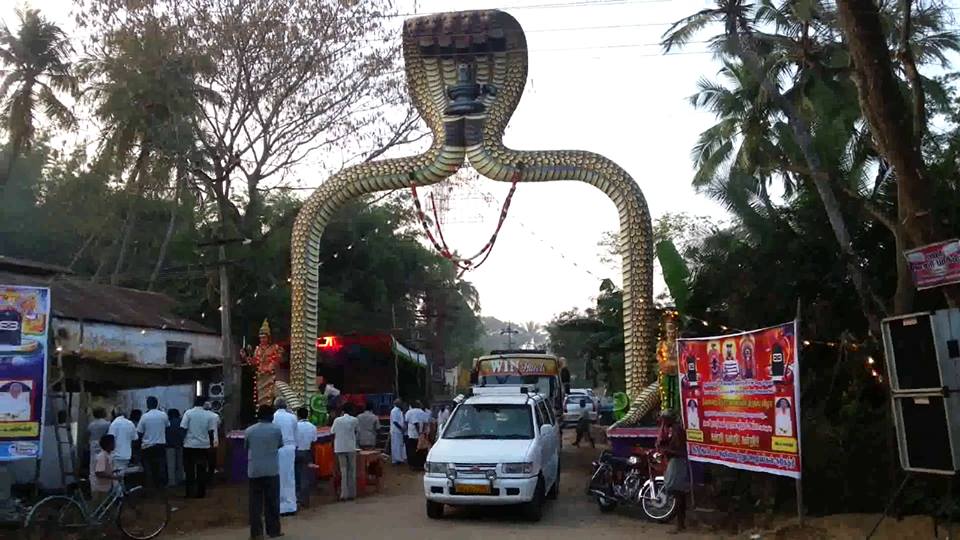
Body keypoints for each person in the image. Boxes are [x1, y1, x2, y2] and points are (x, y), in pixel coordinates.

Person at [245, 405, 283, 540]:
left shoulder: (249, 430)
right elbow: (280, 445)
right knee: (272, 501)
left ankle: (256, 533)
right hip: (272, 470)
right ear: (271, 416)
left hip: (254, 470)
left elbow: (246, 446)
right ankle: (273, 530)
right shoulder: (276, 429)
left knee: (255, 504)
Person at [656, 410, 690, 534]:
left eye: (664, 419)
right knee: (678, 493)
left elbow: (680, 450)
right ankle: (680, 523)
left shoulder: (676, 430)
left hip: (678, 462)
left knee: (677, 492)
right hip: (677, 462)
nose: (663, 422)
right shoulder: (674, 429)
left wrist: (666, 450)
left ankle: (680, 524)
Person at [181, 396, 217, 498]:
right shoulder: (209, 415)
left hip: (189, 445)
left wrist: (182, 441)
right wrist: (210, 444)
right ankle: (201, 493)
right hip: (203, 446)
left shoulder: (188, 413)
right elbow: (211, 431)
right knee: (201, 470)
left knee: (189, 470)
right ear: (204, 403)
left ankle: (189, 493)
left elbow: (183, 428)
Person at [137, 396, 169, 489]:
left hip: (147, 446)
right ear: (157, 404)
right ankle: (161, 486)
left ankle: (149, 487)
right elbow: (167, 426)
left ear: (147, 405)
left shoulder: (144, 416)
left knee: (148, 468)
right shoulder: (163, 415)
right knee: (161, 467)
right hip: (160, 445)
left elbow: (139, 432)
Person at [273, 398, 298, 515]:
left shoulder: (273, 417)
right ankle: (291, 505)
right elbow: (295, 432)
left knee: (279, 476)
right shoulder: (292, 417)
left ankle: (280, 505)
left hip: (278, 448)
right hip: (290, 448)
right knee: (290, 476)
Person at [330, 403, 359, 501]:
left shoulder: (337, 420)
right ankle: (352, 493)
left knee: (343, 471)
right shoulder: (355, 420)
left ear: (342, 411)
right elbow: (356, 431)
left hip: (339, 448)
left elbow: (332, 432)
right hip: (351, 447)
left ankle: (343, 494)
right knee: (352, 470)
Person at [294, 407, 317, 508]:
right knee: (305, 476)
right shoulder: (312, 426)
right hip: (307, 451)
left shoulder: (295, 426)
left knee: (295, 475)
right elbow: (314, 440)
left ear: (298, 415)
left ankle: (297, 497)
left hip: (296, 451)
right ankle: (305, 499)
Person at [90, 434, 121, 509]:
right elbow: (99, 473)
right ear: (108, 445)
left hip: (104, 486)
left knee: (103, 507)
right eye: (113, 443)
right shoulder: (102, 456)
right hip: (99, 487)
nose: (115, 445)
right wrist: (114, 477)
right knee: (99, 507)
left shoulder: (107, 455)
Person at [87, 407, 111, 476]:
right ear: (102, 413)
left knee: (93, 462)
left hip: (93, 443)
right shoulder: (107, 424)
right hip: (103, 443)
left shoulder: (91, 425)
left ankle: (93, 475)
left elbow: (88, 435)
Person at [165, 408, 186, 487]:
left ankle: (172, 481)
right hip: (180, 445)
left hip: (169, 445)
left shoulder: (168, 423)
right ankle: (181, 479)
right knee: (180, 464)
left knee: (171, 465)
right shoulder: (181, 422)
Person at [204, 402, 221, 484]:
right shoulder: (215, 416)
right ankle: (211, 475)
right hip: (214, 440)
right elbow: (219, 425)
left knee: (203, 458)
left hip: (203, 440)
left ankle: (204, 475)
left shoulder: (201, 416)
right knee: (212, 459)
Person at [404, 401, 423, 470]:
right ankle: (419, 465)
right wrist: (420, 432)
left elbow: (406, 422)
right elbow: (421, 423)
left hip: (411, 434)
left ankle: (412, 465)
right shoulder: (421, 411)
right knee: (419, 450)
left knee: (411, 450)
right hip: (419, 434)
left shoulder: (409, 412)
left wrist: (405, 431)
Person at [389, 400, 406, 465]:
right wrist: (401, 429)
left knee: (399, 445)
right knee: (396, 445)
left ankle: (399, 459)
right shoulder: (394, 411)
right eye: (400, 403)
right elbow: (395, 422)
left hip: (399, 431)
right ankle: (396, 460)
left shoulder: (399, 410)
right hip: (396, 430)